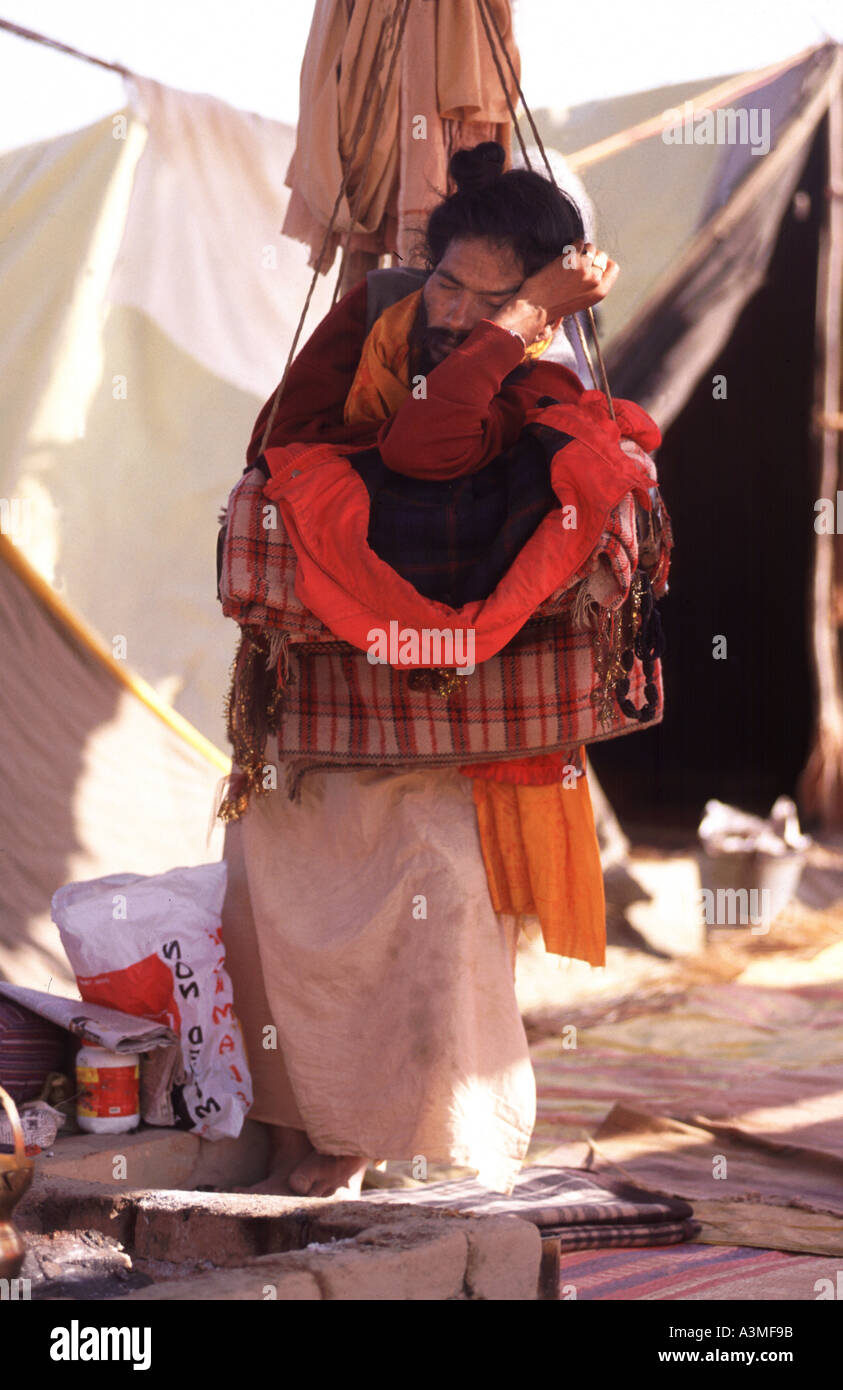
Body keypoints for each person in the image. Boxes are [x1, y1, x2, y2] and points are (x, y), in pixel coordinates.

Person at [223, 142, 660, 1198]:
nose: (457, 314)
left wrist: (521, 326)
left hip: (452, 728)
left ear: (543, 309)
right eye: (450, 286)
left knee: (443, 909)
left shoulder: (537, 372)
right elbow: (284, 443)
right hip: (328, 704)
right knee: (287, 905)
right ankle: (295, 1127)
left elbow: (426, 449)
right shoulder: (374, 322)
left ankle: (397, 1134)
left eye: (494, 300)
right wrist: (502, 317)